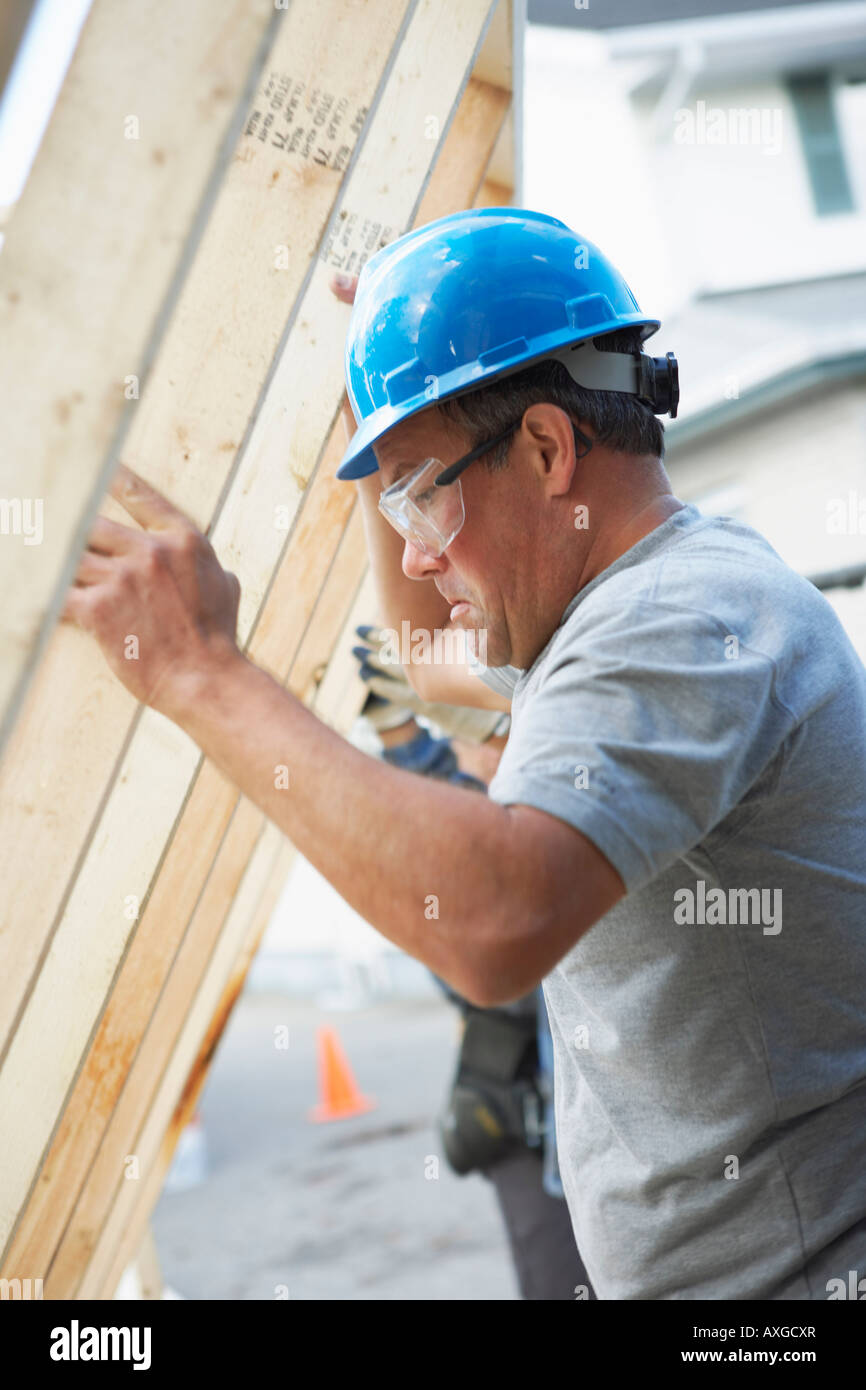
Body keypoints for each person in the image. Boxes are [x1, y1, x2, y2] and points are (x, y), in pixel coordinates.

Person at [63, 207, 866, 1301]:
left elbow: (492, 919)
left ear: (545, 447)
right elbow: (430, 654)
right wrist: (384, 419)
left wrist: (200, 672)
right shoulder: (610, 610)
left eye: (421, 489)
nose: (412, 544)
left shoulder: (681, 620)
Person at [355, 627, 595, 1299]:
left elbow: (505, 940)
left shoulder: (570, 801)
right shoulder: (483, 785)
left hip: (567, 1119)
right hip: (527, 1116)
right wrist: (398, 729)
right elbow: (445, 810)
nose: (473, 757)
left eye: (485, 739)